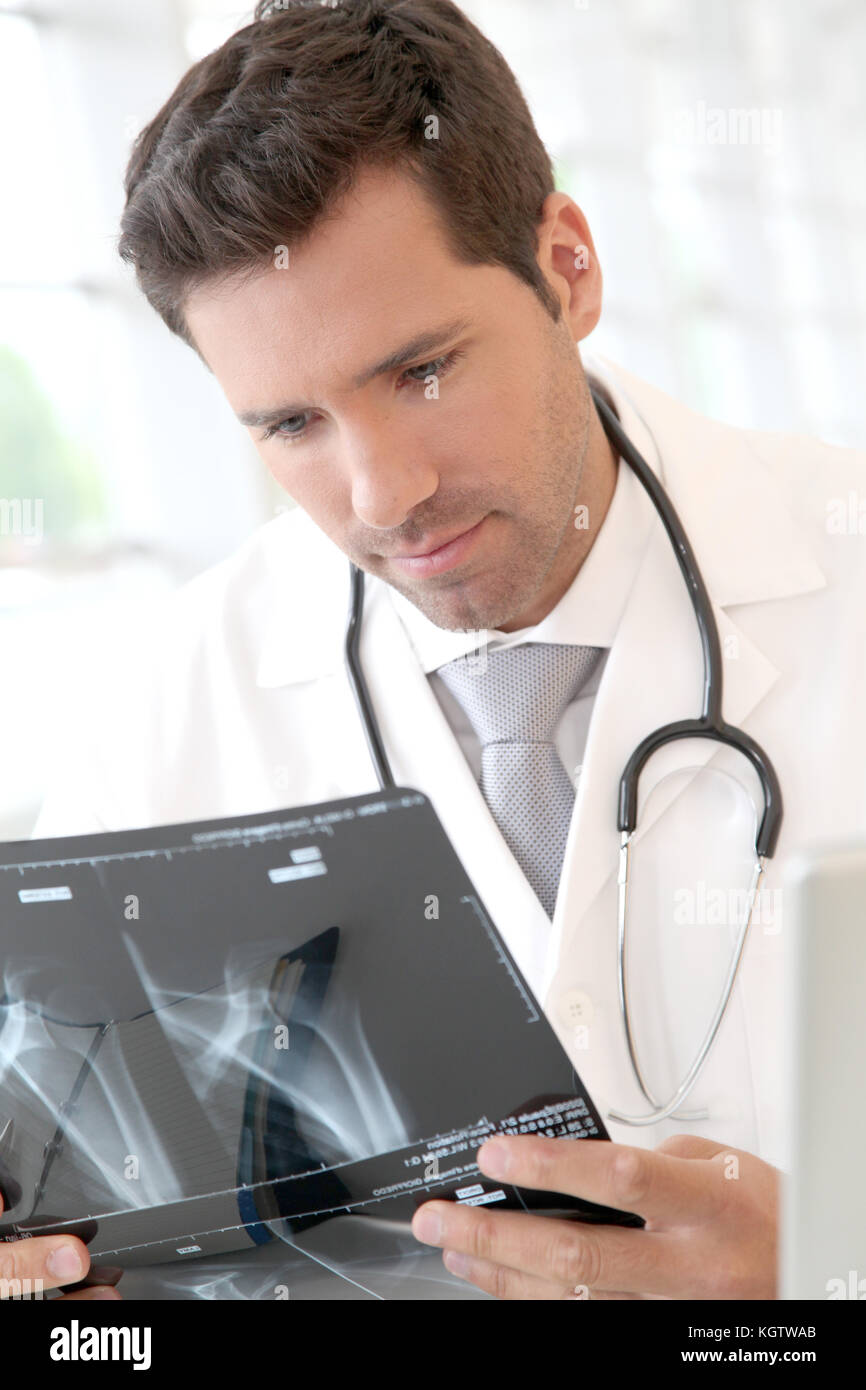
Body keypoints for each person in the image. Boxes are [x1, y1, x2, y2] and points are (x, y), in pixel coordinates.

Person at [7, 0, 865, 1301]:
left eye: (420, 371)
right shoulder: (175, 704)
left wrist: (825, 1272)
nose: (381, 493)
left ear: (566, 265)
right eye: (291, 422)